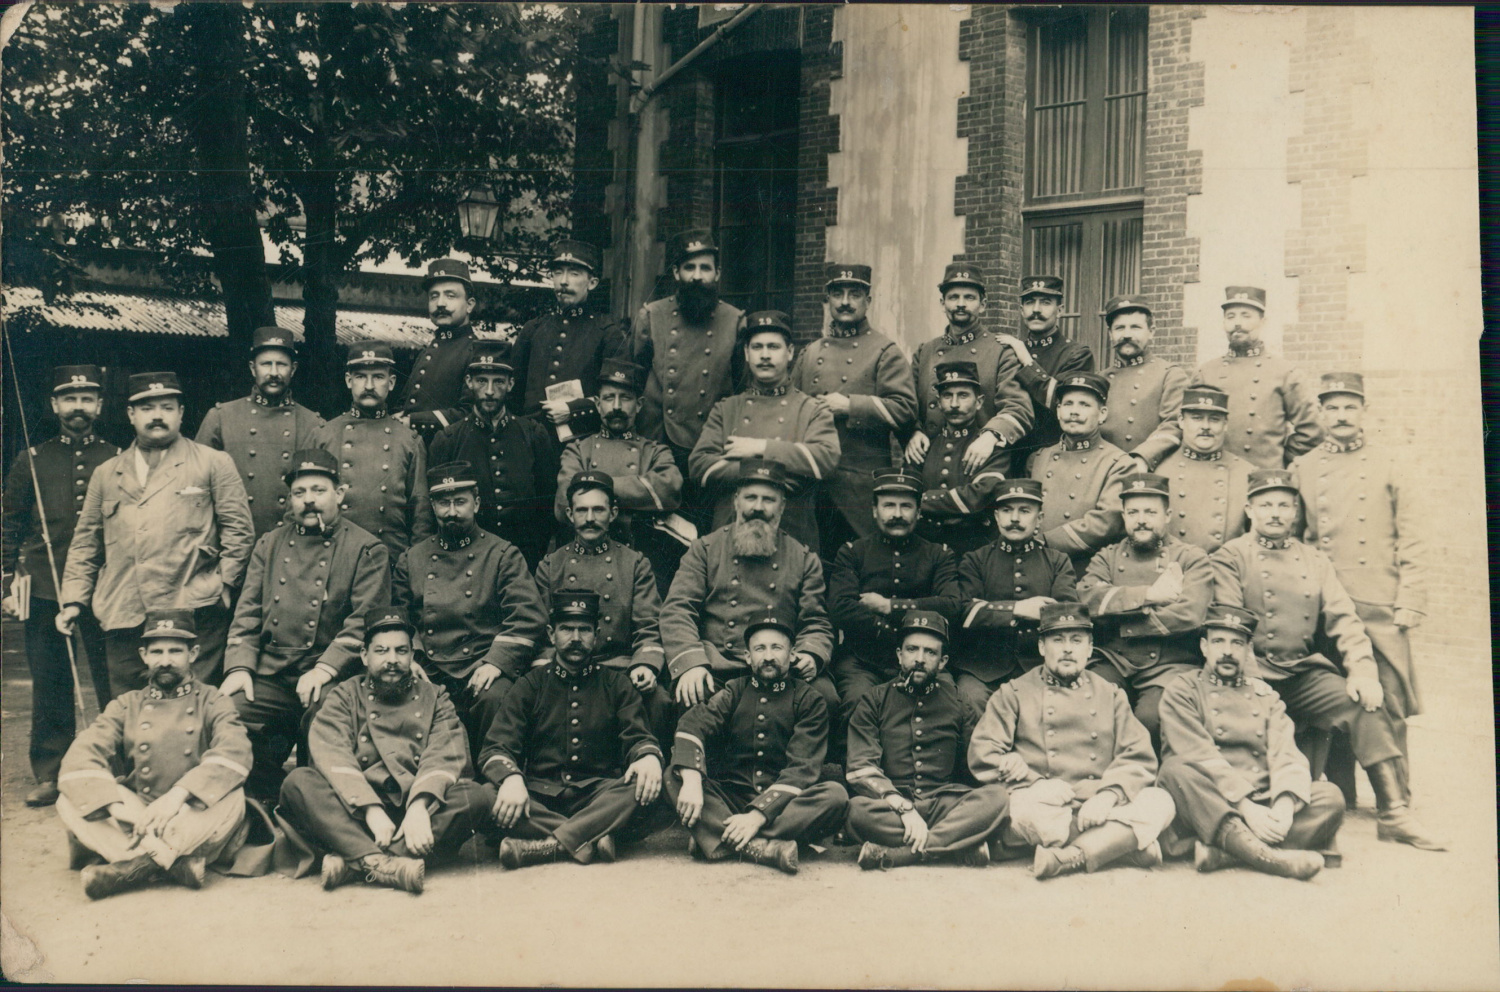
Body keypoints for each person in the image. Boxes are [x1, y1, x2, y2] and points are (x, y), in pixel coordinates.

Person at [1209, 469, 1445, 850]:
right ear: (1249, 509)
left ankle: (1393, 812)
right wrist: (1250, 680)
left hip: (1300, 672)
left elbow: (1344, 618)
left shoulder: (1314, 559)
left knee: (1364, 705)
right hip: (1250, 673)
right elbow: (1232, 628)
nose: (1275, 513)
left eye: (1284, 505)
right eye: (1266, 504)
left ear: (1296, 513)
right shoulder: (1230, 557)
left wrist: (1363, 671)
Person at [277, 608, 499, 895]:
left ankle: (356, 862)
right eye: (381, 651)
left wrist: (419, 806)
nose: (392, 660)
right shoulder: (344, 695)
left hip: (415, 816)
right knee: (298, 782)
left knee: (477, 795)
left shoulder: (436, 696)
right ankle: (384, 861)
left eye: (400, 651)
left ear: (412, 656)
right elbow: (331, 751)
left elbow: (447, 752)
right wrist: (370, 810)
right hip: (354, 814)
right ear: (364, 656)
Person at [58, 371, 254, 695]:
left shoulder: (212, 462)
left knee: (190, 712)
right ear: (131, 415)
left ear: (181, 413)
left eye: (167, 406)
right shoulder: (107, 473)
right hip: (124, 613)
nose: (158, 416)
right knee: (128, 714)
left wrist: (224, 586)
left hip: (193, 611)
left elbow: (239, 532)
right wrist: (73, 601)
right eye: (147, 408)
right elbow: (85, 544)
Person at [220, 449, 391, 802]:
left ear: (339, 493)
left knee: (326, 715)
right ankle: (264, 801)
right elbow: (247, 613)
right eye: (299, 493)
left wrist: (326, 669)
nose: (308, 501)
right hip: (273, 673)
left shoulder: (366, 549)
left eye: (318, 490)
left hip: (331, 676)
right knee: (227, 711)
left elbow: (364, 622)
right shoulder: (269, 544)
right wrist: (239, 667)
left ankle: (318, 813)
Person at [55, 609, 252, 900]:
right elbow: (82, 754)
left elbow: (235, 752)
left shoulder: (214, 700)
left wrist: (177, 796)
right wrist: (113, 807)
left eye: (175, 651)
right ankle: (171, 864)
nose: (166, 660)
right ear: (144, 655)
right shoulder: (126, 704)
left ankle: (132, 868)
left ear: (193, 653)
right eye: (157, 652)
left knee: (231, 794)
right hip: (141, 815)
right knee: (69, 799)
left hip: (190, 816)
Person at [968, 603, 1175, 879]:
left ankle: (1067, 857)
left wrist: (1108, 796)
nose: (1067, 649)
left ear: (1089, 649)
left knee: (1160, 800)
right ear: (1042, 647)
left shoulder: (1111, 694)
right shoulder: (1014, 693)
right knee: (1025, 810)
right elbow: (984, 753)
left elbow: (1137, 755)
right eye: (1058, 640)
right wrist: (1037, 782)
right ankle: (1122, 845)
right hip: (1045, 801)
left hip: (1099, 802)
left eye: (1076, 641)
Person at [1293, 372, 1427, 773]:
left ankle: (1396, 803)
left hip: (1380, 602)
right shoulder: (1304, 466)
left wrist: (1412, 598)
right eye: (1331, 407)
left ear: (1365, 411)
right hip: (1325, 604)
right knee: (1334, 698)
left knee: (1389, 700)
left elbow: (1413, 536)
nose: (1341, 415)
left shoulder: (1391, 463)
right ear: (1320, 413)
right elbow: (1297, 541)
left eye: (1350, 406)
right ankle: (1339, 794)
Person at [479, 592, 665, 869]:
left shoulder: (617, 684)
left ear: (596, 634)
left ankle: (548, 846)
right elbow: (496, 747)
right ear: (551, 635)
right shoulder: (529, 685)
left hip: (599, 795)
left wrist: (647, 756)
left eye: (584, 630)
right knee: (485, 795)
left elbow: (637, 737)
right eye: (566, 629)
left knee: (646, 784)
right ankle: (593, 835)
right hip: (539, 795)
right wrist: (511, 778)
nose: (575, 638)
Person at [2, 365, 118, 806]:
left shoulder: (117, 457)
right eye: (69, 399)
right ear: (54, 405)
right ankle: (52, 772)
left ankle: (114, 765)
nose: (78, 407)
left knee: (112, 679)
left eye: (87, 399)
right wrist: (8, 581)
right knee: (49, 682)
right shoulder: (30, 460)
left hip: (105, 585)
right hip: (46, 586)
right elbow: (9, 524)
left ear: (100, 406)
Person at [1156, 604, 1340, 880]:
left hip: (1263, 799)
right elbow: (1196, 753)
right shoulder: (1183, 690)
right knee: (1175, 770)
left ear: (1247, 650)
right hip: (1213, 801)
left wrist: (1284, 807)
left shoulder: (1266, 696)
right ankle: (1268, 857)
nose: (1228, 651)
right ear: (1204, 647)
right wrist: (1246, 808)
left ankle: (1226, 853)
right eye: (1219, 642)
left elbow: (1286, 754)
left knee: (1331, 797)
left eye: (1237, 643)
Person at [665, 609, 849, 874]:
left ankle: (718, 835)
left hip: (783, 806)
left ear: (793, 653)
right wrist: (693, 780)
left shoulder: (810, 700)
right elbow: (693, 724)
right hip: (732, 798)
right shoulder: (733, 691)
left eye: (777, 647)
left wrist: (757, 816)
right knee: (674, 775)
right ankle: (764, 848)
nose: (769, 656)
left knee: (835, 796)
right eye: (760, 649)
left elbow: (803, 769)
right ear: (748, 657)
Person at [659, 459, 838, 723]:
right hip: (719, 664)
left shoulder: (803, 559)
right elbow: (677, 610)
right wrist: (692, 662)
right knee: (691, 693)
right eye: (750, 497)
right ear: (736, 501)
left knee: (826, 697)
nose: (758, 507)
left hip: (779, 667)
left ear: (782, 506)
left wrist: (811, 653)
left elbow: (816, 621)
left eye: (768, 500)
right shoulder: (705, 550)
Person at [391, 462, 547, 759]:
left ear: (475, 503)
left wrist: (495, 663)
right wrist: (409, 657)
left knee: (496, 698)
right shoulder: (412, 558)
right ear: (433, 506)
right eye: (443, 503)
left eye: (459, 502)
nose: (451, 512)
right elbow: (400, 620)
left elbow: (528, 617)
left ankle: (493, 777)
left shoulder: (502, 554)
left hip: (482, 662)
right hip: (429, 666)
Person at [845, 612, 1009, 869]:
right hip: (893, 805)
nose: (919, 659)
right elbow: (860, 767)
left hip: (943, 804)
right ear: (900, 654)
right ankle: (957, 843)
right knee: (856, 811)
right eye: (912, 650)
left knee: (996, 797)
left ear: (943, 661)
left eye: (930, 653)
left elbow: (978, 762)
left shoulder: (959, 700)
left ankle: (902, 854)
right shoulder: (874, 700)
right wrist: (904, 808)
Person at [535, 471, 674, 746]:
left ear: (612, 513)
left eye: (598, 509)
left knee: (659, 699)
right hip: (567, 664)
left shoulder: (635, 564)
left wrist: (645, 664)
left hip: (619, 667)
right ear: (569, 514)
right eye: (582, 510)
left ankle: (653, 771)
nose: (589, 518)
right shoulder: (551, 566)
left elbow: (648, 625)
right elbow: (541, 630)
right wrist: (547, 664)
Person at [790, 263, 918, 556]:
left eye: (854, 294)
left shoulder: (884, 351)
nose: (845, 302)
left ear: (867, 301)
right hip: (812, 485)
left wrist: (850, 405)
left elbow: (905, 409)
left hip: (858, 489)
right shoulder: (810, 352)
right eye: (838, 294)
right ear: (827, 300)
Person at [1077, 473, 1213, 746]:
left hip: (1169, 663)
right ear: (1124, 516)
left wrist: (1123, 623)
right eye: (1133, 512)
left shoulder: (1191, 557)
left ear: (1168, 515)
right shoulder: (1107, 556)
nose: (1141, 519)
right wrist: (1149, 595)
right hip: (1113, 658)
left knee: (1151, 718)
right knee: (1090, 705)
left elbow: (1189, 614)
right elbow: (1085, 599)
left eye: (1150, 512)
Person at [689, 310, 840, 552]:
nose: (765, 355)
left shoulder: (812, 410)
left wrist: (759, 448)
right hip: (730, 534)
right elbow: (699, 466)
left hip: (792, 535)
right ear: (747, 354)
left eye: (773, 347)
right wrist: (784, 474)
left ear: (790, 353)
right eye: (757, 347)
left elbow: (826, 459)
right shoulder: (726, 409)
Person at [630, 229, 746, 527]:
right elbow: (633, 379)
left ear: (717, 273)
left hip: (710, 446)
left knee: (704, 529)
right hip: (659, 441)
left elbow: (742, 388)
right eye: (689, 268)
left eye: (705, 268)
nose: (697, 276)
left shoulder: (734, 320)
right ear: (676, 273)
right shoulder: (652, 315)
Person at [826, 468, 961, 724]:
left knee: (947, 703)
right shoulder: (853, 552)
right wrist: (895, 632)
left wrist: (890, 606)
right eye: (888, 506)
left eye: (906, 506)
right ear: (875, 510)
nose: (897, 514)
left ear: (919, 512)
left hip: (924, 661)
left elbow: (951, 606)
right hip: (863, 660)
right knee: (857, 699)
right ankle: (857, 764)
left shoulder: (939, 554)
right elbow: (841, 607)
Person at [553, 358, 684, 593]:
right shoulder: (578, 449)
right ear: (597, 403)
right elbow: (564, 502)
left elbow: (670, 487)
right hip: (585, 556)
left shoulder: (654, 451)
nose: (616, 406)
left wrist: (594, 487)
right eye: (608, 398)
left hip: (641, 558)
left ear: (639, 404)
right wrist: (636, 493)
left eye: (625, 398)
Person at [429, 342, 559, 569]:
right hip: (466, 560)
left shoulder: (533, 434)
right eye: (481, 381)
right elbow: (435, 511)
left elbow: (547, 503)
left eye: (498, 381)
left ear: (510, 384)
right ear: (469, 383)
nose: (489, 391)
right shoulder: (448, 440)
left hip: (524, 559)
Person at [951, 479, 1077, 712]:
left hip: (1040, 667)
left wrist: (989, 609)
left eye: (1024, 511)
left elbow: (1065, 615)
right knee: (970, 699)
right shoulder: (975, 560)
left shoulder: (1058, 562)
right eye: (1007, 511)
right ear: (997, 516)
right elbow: (964, 612)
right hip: (982, 669)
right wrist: (1019, 609)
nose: (1015, 519)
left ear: (1039, 519)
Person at [309, 341, 435, 560]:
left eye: (378, 377)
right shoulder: (323, 436)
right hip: (334, 557)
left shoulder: (409, 441)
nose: (369, 385)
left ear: (391, 382)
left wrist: (413, 568)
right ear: (349, 381)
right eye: (360, 377)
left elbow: (421, 515)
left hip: (389, 558)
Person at [906, 263, 1032, 481]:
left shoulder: (1000, 351)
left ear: (983, 305)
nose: (961, 304)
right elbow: (908, 404)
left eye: (969, 298)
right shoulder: (926, 351)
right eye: (953, 297)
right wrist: (913, 431)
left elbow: (1019, 407)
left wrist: (991, 435)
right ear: (942, 303)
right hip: (930, 465)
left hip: (982, 466)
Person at [195, 326, 325, 537]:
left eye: (281, 365)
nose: (274, 373)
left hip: (290, 544)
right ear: (253, 368)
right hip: (233, 541)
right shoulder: (221, 417)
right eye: (266, 364)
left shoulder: (314, 424)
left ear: (293, 369)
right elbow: (198, 487)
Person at [1189, 286, 1321, 468]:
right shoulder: (1205, 373)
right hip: (1212, 478)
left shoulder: (1285, 373)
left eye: (1246, 316)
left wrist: (1277, 461)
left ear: (1263, 322)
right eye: (1230, 316)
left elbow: (1312, 431)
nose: (1237, 323)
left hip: (1261, 481)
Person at [1028, 371, 1135, 575]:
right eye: (1068, 404)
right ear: (1058, 411)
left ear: (1102, 414)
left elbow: (1106, 522)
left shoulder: (1118, 463)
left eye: (1084, 405)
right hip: (1035, 566)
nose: (1074, 412)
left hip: (1084, 570)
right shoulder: (1039, 458)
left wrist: (1045, 542)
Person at [509, 239, 625, 425]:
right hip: (530, 438)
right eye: (557, 273)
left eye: (574, 274)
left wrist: (575, 410)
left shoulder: (607, 333)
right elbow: (512, 392)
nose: (563, 281)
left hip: (581, 442)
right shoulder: (533, 329)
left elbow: (618, 396)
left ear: (592, 283)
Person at [911, 360, 1012, 557]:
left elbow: (980, 495)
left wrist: (922, 501)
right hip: (925, 550)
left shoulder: (990, 444)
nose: (954, 404)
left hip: (973, 551)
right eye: (947, 396)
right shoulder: (925, 444)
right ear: (939, 402)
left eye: (963, 395)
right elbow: (907, 489)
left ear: (979, 402)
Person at [996, 275, 1095, 474]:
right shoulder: (1006, 351)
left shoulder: (1077, 354)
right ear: (1021, 309)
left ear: (1060, 310)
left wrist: (1027, 360)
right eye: (1030, 302)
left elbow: (1059, 401)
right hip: (1008, 459)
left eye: (1046, 302)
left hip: (1054, 461)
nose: (1036, 310)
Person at [1151, 386, 1253, 553]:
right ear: (1182, 421)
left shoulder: (1246, 473)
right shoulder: (1160, 472)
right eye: (1197, 418)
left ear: (1225, 424)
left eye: (1214, 419)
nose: (1205, 426)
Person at [1095, 296, 1188, 471]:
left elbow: (1174, 423)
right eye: (1119, 328)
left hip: (1150, 471)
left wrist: (1142, 458)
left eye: (1135, 327)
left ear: (1151, 331)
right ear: (1110, 334)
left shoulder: (1170, 375)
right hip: (1104, 470)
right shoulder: (1100, 379)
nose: (1127, 335)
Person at [397, 258, 482, 443]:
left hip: (448, 453)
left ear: (469, 305)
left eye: (450, 295)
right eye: (434, 296)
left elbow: (470, 412)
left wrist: (412, 421)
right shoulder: (430, 349)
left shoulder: (475, 352)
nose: (440, 304)